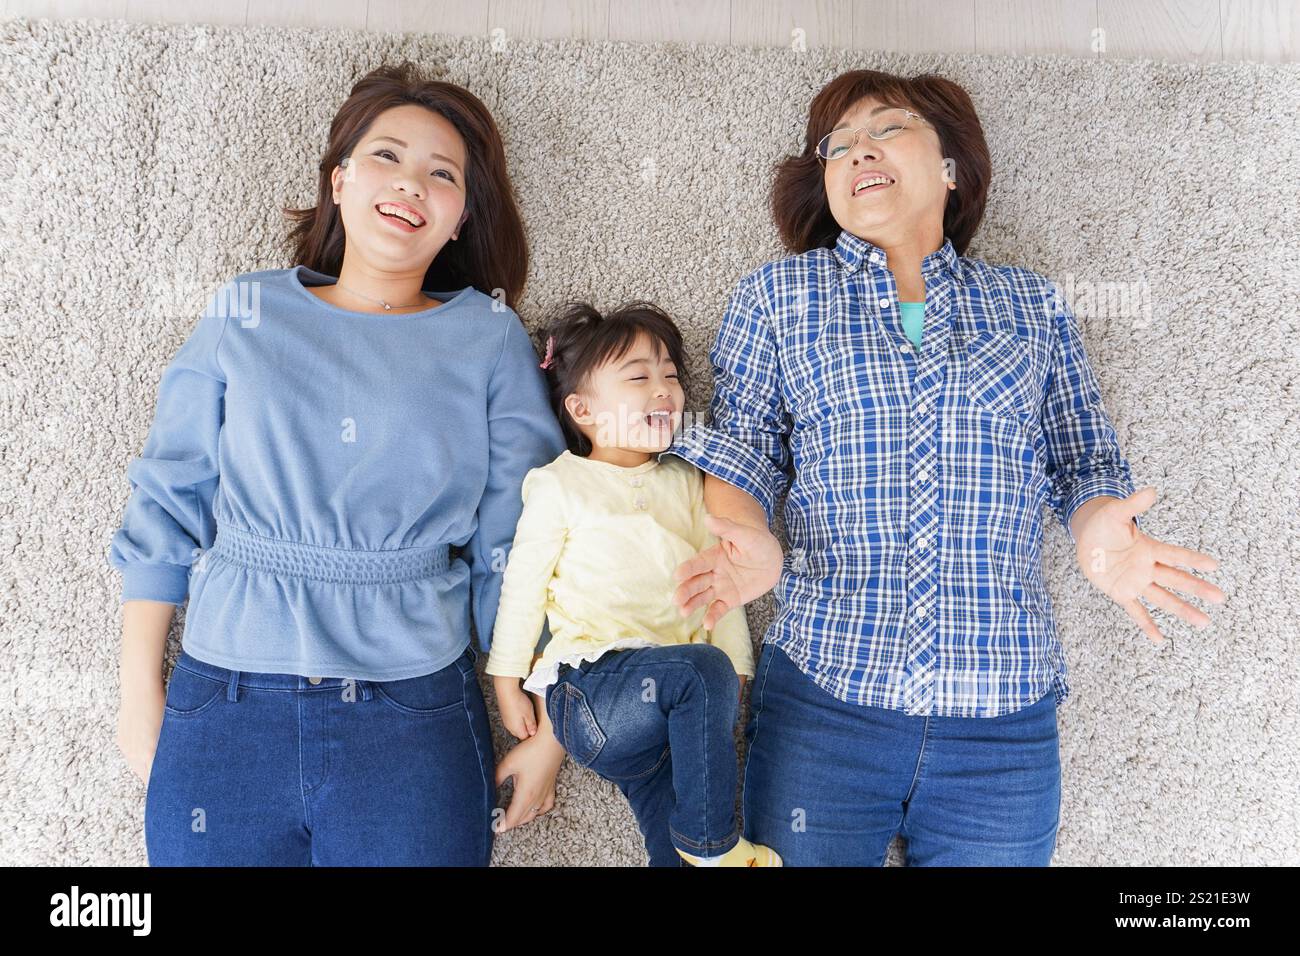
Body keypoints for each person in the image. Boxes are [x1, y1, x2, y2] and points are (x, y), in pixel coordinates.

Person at [663, 68, 1226, 866]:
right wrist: (745, 533)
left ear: (951, 168)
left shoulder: (1029, 304)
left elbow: (1083, 455)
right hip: (827, 698)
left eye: (886, 129)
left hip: (1002, 721)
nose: (860, 151)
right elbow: (747, 449)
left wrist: (1102, 526)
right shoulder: (780, 296)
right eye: (838, 145)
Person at [109, 62, 566, 865]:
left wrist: (554, 729)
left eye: (443, 174)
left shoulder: (490, 337)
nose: (411, 184)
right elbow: (168, 497)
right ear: (340, 181)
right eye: (386, 156)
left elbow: (530, 543)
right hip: (224, 702)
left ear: (460, 218)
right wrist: (138, 690)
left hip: (413, 710)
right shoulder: (245, 311)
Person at [486, 301, 779, 866]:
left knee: (671, 840)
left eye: (671, 375)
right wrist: (505, 679)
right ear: (582, 410)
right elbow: (523, 587)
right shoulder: (560, 483)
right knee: (700, 671)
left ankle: (694, 848)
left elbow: (721, 578)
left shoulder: (688, 481)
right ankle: (715, 845)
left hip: (669, 716)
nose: (664, 389)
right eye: (639, 376)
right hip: (591, 691)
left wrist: (736, 663)